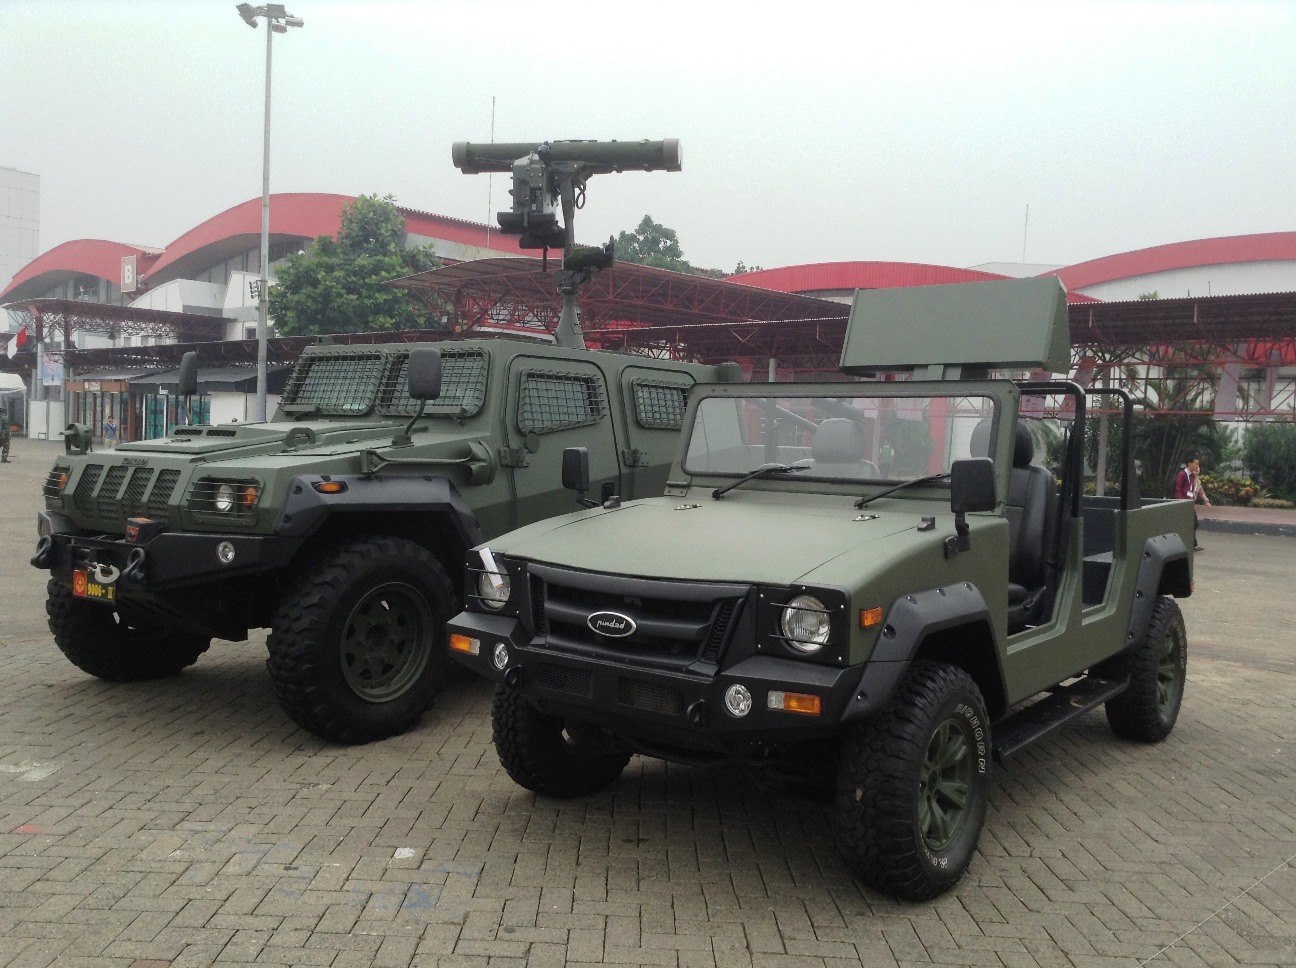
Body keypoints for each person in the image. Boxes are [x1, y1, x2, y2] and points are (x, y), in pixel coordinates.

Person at [1173, 453, 1211, 552]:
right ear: (1189, 464)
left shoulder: (1193, 476)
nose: (1197, 466)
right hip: (1183, 504)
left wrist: (1205, 501)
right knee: (1192, 523)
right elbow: (1178, 490)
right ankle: (1188, 545)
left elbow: (1198, 488)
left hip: (1189, 504)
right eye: (1196, 464)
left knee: (1193, 524)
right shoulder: (1182, 475)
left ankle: (1192, 545)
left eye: (1198, 465)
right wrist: (1181, 503)